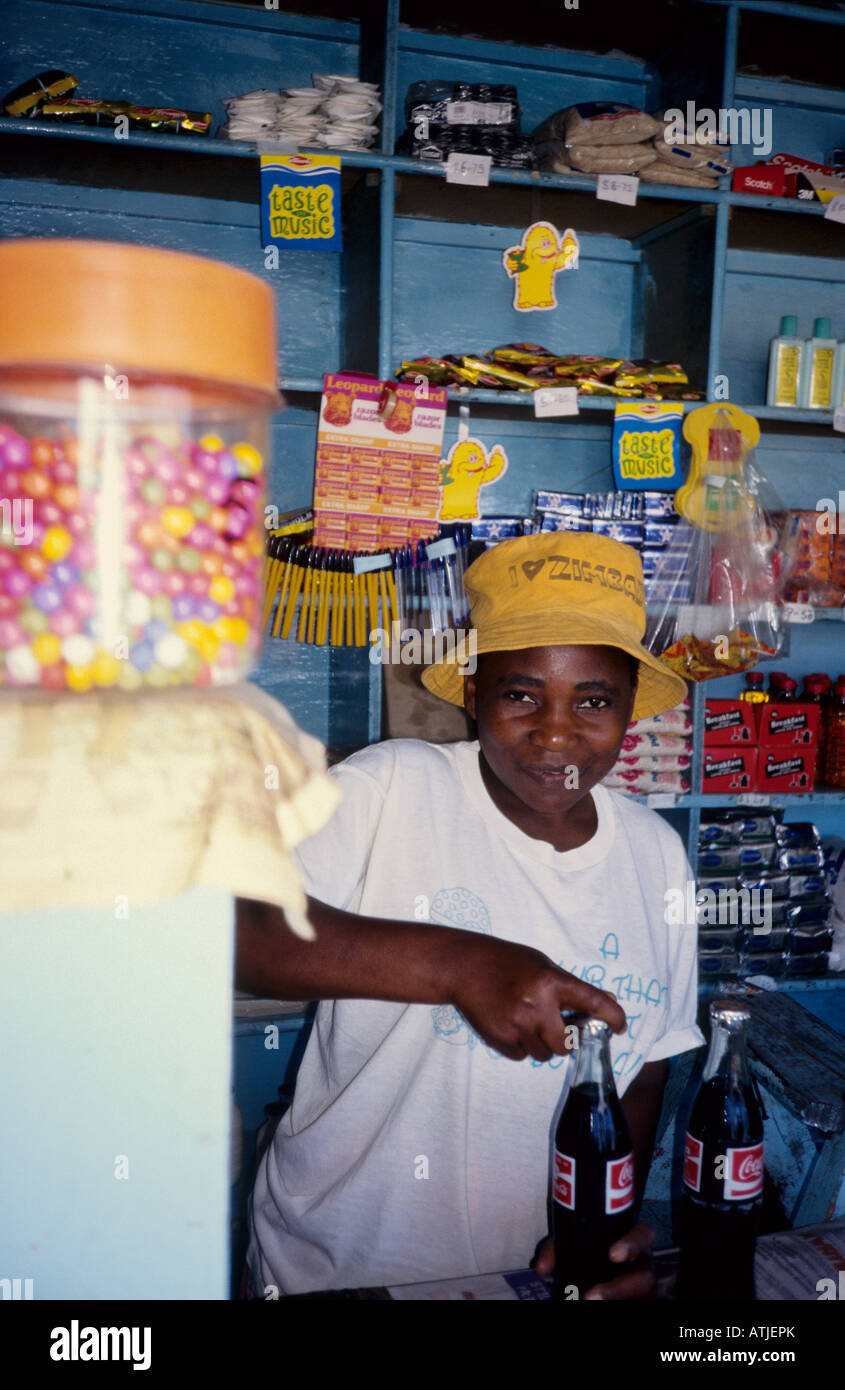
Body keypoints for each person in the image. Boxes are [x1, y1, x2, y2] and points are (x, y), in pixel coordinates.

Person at [237, 531, 704, 1298]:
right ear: (471, 692)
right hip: (341, 1263)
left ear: (628, 709)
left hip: (531, 1271)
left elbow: (644, 1070)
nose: (555, 732)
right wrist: (460, 965)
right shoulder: (393, 787)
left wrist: (607, 1226)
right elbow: (240, 930)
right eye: (520, 694)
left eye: (593, 701)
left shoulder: (655, 854)